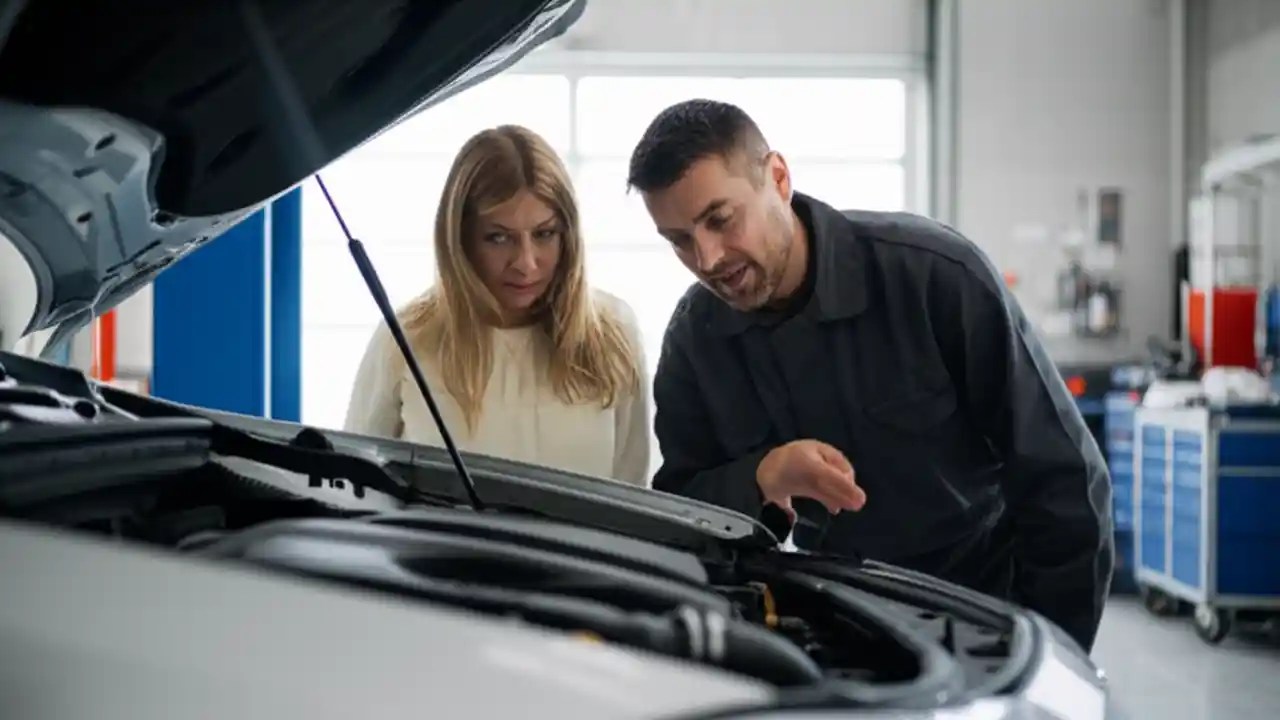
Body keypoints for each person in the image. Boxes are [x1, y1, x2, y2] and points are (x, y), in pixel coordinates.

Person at [627, 99, 1113, 651]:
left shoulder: (936, 278)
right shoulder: (696, 340)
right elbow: (683, 508)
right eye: (679, 240)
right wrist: (762, 475)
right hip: (828, 630)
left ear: (778, 178)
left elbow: (1065, 480)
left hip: (984, 616)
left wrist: (1051, 656)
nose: (707, 258)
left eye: (720, 220)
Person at [345, 124, 651, 487]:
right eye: (498, 237)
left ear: (568, 236)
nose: (526, 262)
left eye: (544, 234)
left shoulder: (613, 330)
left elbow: (634, 493)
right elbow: (355, 487)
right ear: (460, 239)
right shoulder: (406, 339)